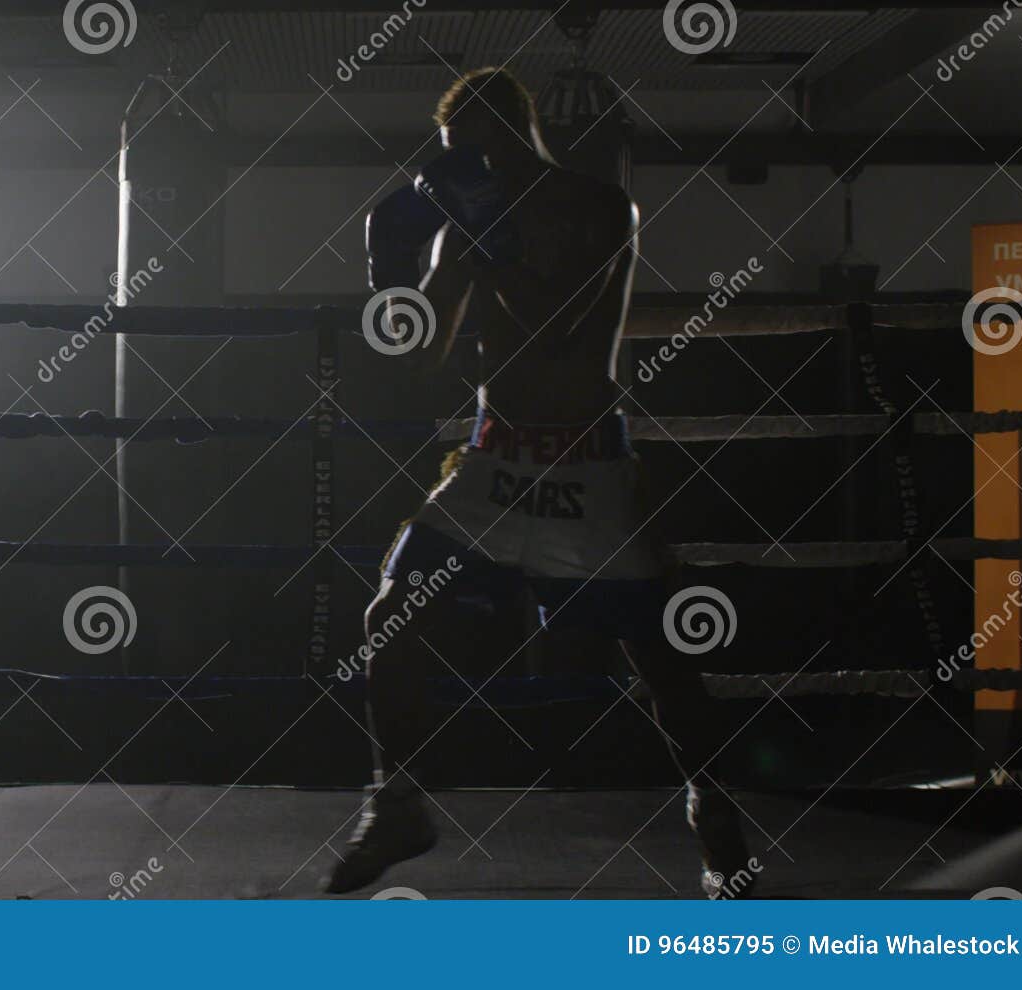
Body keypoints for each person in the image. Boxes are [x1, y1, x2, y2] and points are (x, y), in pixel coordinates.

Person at [328, 67, 751, 898]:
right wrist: (390, 274)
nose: (461, 171)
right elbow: (420, 359)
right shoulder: (464, 225)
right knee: (390, 614)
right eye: (450, 160)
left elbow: (560, 329)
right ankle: (400, 802)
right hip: (495, 459)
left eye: (472, 152)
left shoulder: (598, 208)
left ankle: (714, 808)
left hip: (587, 466)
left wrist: (487, 240)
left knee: (661, 663)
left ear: (510, 134)